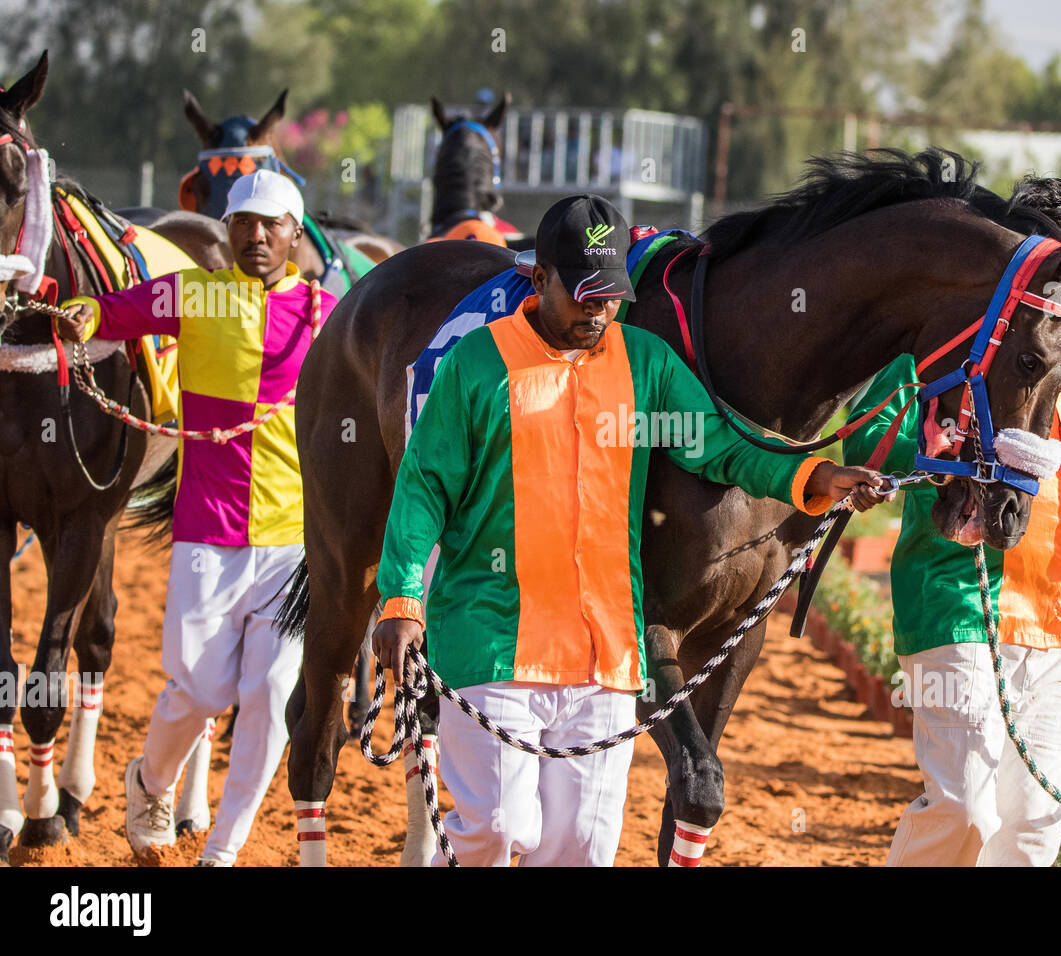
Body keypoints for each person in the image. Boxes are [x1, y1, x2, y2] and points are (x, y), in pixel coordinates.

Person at [371, 194, 891, 866]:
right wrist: (402, 599)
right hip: (492, 641)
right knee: (499, 829)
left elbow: (720, 445)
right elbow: (422, 491)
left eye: (611, 296)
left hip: (606, 658)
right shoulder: (477, 364)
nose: (599, 311)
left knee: (583, 849)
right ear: (538, 278)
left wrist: (811, 479)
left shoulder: (644, 361)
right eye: (584, 295)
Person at [843, 178, 1061, 867]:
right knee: (965, 809)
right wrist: (937, 430)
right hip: (956, 603)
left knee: (1033, 827)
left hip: (1058, 629)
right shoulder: (942, 342)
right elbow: (865, 443)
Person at [57, 170, 338, 866]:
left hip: (288, 541)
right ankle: (149, 780)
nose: (255, 235)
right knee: (200, 688)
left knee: (271, 698)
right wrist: (81, 316)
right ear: (228, 232)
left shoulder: (329, 314)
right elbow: (109, 311)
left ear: (294, 235)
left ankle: (222, 849)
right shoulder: (195, 295)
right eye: (242, 223)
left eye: (271, 224)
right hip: (207, 529)